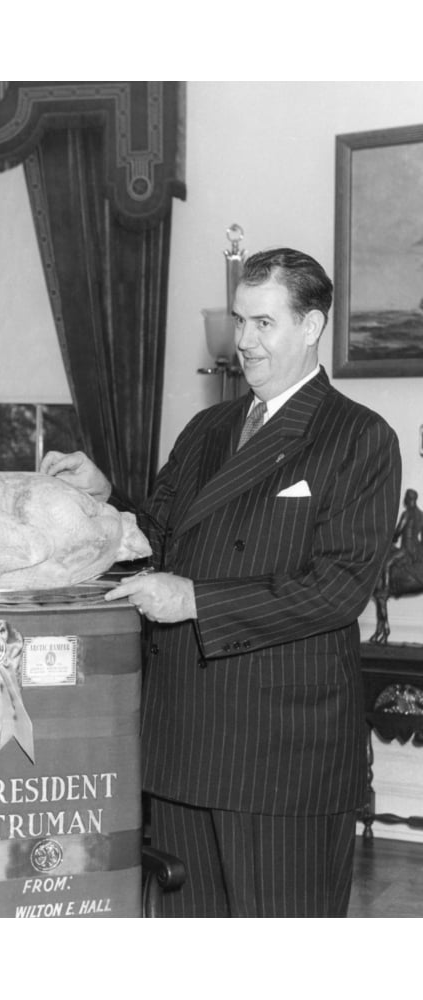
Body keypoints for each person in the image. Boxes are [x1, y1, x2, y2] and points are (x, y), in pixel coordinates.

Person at [42, 247, 401, 917]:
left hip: (281, 757)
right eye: (239, 321)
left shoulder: (359, 436)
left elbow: (338, 588)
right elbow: (158, 531)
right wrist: (103, 496)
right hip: (184, 739)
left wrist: (196, 600)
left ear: (312, 325)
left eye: (263, 324)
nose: (242, 342)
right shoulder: (208, 428)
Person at [380, 488, 423, 590]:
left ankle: (385, 589)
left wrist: (393, 538)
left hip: (406, 549)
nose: (404, 500)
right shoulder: (421, 515)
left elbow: (399, 530)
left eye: (405, 498)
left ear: (408, 499)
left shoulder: (407, 514)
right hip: (416, 550)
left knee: (386, 564)